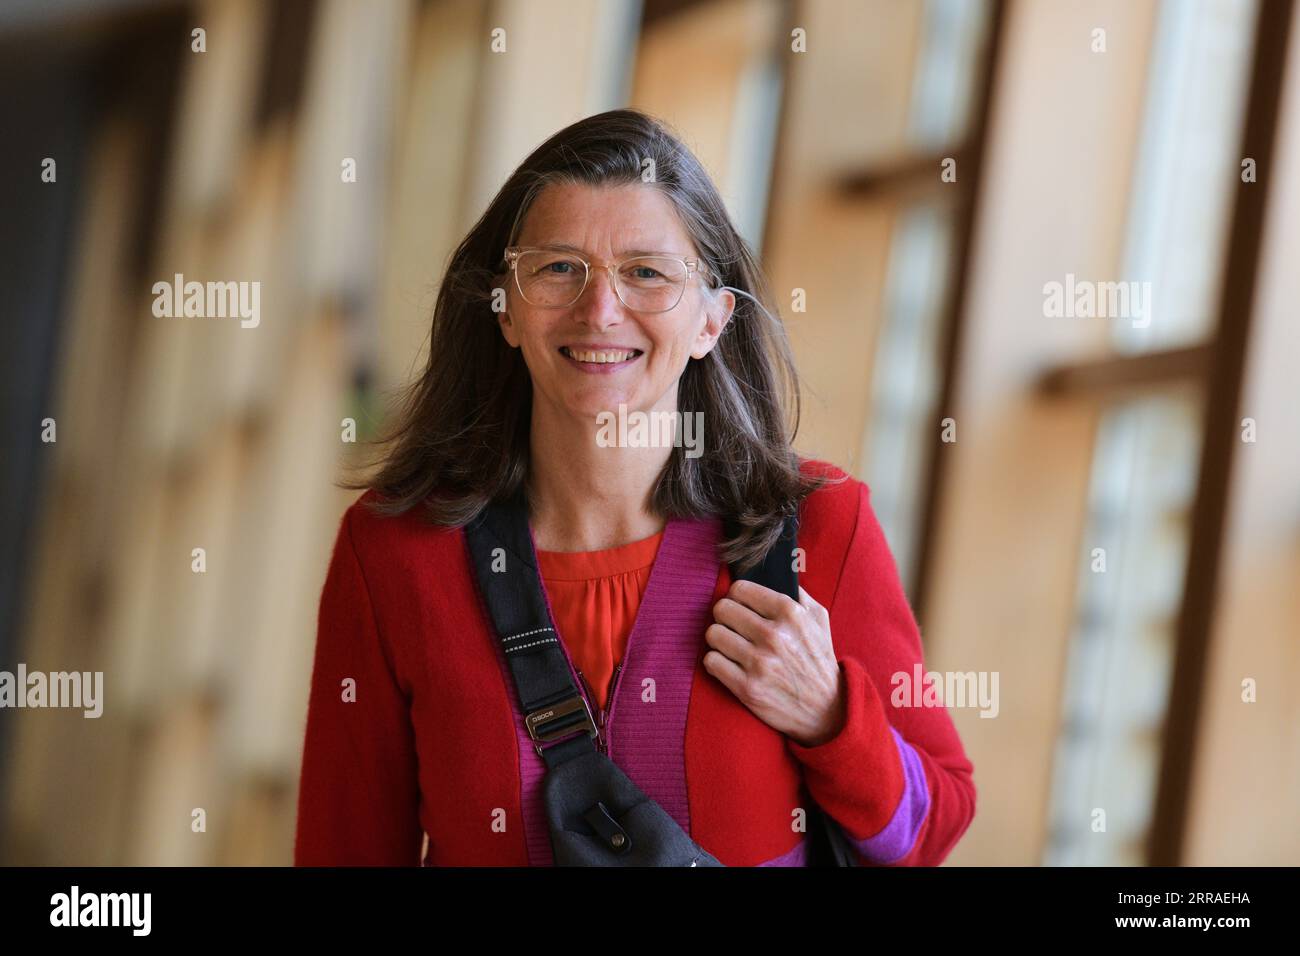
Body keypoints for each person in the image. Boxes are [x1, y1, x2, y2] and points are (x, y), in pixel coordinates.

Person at [293, 108, 975, 866]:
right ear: (505, 309)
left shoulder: (815, 530)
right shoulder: (395, 553)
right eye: (558, 268)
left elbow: (932, 829)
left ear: (713, 322)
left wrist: (831, 717)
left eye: (647, 273)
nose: (600, 310)